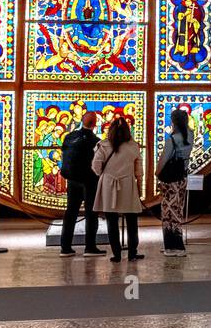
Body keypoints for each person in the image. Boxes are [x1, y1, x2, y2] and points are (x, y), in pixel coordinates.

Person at [92, 116, 145, 263]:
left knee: (111, 221)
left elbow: (96, 167)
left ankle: (116, 254)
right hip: (128, 184)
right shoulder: (133, 146)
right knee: (132, 220)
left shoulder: (102, 146)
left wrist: (106, 174)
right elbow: (139, 170)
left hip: (108, 185)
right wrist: (139, 187)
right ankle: (132, 253)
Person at [59, 111, 105, 257]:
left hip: (72, 180)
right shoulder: (96, 141)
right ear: (95, 124)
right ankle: (90, 247)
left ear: (81, 120)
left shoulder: (69, 137)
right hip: (89, 182)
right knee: (91, 213)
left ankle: (65, 247)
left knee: (70, 213)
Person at [156, 108, 194, 257]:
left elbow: (164, 160)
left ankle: (172, 246)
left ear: (173, 122)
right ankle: (178, 245)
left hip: (170, 180)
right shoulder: (190, 135)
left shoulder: (172, 139)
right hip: (182, 178)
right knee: (178, 209)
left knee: (167, 211)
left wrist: (157, 173)